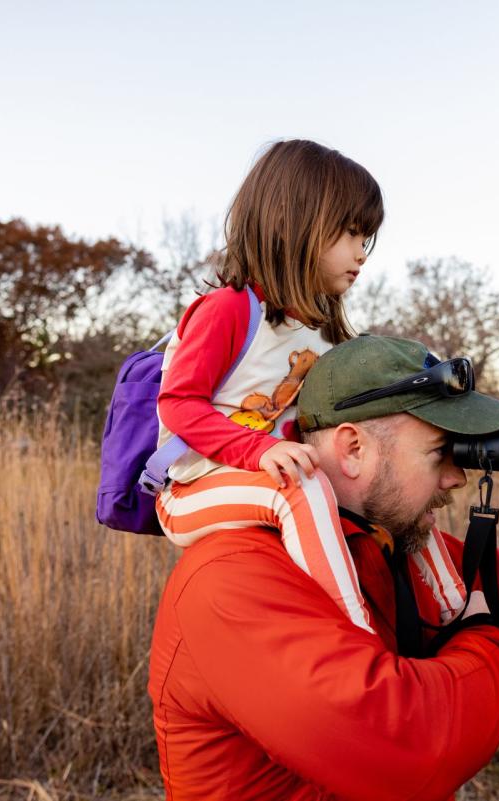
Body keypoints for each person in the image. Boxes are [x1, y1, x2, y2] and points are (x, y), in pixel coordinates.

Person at [148, 334, 499, 800]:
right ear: (354, 448)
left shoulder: (377, 540)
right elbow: (410, 752)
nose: (456, 478)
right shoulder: (233, 579)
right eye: (440, 450)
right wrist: (484, 634)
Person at [153, 139, 471, 643]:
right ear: (296, 222)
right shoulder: (230, 310)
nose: (362, 253)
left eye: (367, 238)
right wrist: (261, 449)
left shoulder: (323, 329)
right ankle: (359, 641)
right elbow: (177, 406)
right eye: (351, 234)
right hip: (193, 488)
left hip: (278, 474)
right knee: (299, 488)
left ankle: (462, 623)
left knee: (405, 495)